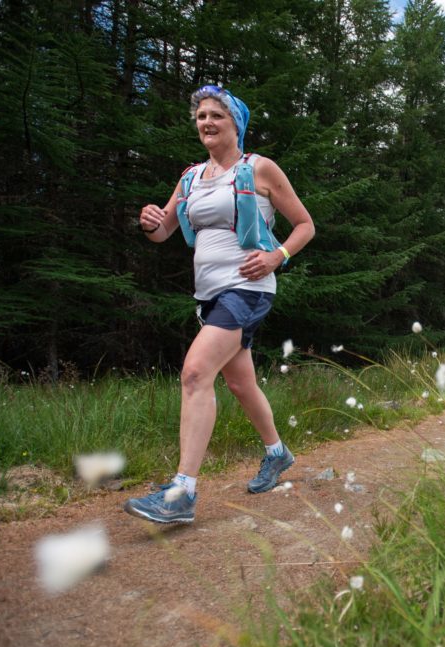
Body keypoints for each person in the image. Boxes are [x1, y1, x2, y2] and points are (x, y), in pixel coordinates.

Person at [124, 85, 315, 524]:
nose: (206, 123)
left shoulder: (259, 168)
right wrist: (148, 221)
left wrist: (277, 255)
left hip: (247, 288)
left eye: (216, 116)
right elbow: (163, 232)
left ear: (236, 124)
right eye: (201, 117)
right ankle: (277, 453)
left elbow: (305, 225)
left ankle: (182, 494)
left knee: (195, 372)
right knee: (239, 384)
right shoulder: (190, 177)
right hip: (208, 294)